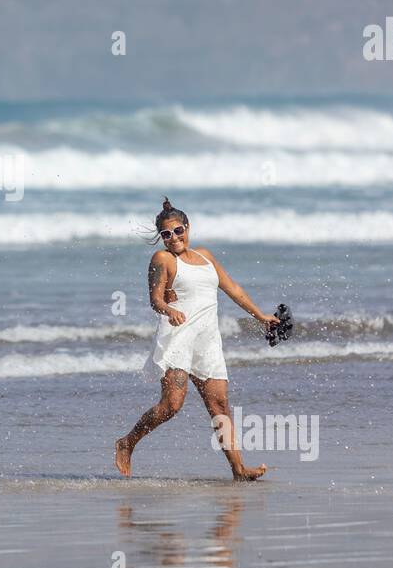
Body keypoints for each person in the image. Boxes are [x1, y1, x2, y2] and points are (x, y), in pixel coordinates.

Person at [115, 197, 279, 481]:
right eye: (166, 234)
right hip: (178, 337)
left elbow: (234, 289)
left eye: (178, 230)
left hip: (208, 340)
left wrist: (260, 316)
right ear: (161, 238)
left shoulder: (205, 256)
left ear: (187, 227)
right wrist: (168, 309)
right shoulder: (162, 259)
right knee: (171, 406)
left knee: (220, 405)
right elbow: (154, 299)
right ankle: (127, 442)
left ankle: (239, 470)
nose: (174, 238)